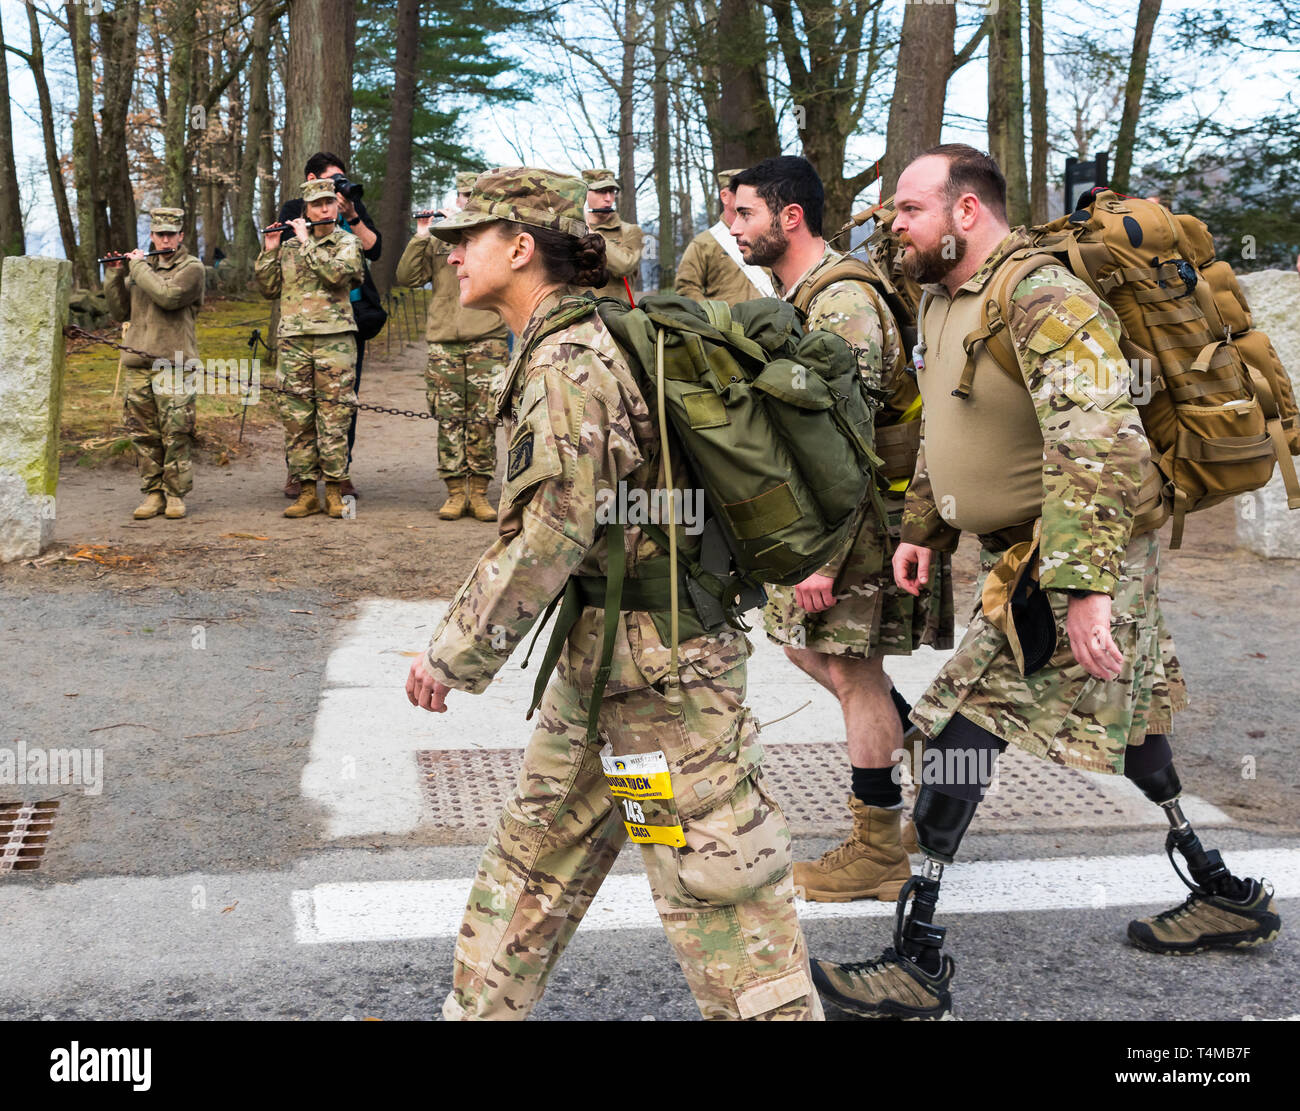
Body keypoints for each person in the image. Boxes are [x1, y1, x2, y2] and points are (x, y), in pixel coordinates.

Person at [810, 144, 1281, 1020]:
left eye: (908, 209)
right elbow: (956, 423)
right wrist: (926, 526)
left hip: (1063, 555)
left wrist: (1084, 583)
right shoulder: (943, 297)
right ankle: (1224, 892)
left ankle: (917, 956)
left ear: (964, 212)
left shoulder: (1044, 295)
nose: (892, 226)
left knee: (958, 724)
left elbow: (1099, 435)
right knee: (1130, 718)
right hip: (1022, 550)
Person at [405, 167, 821, 1021]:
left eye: (466, 239)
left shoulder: (567, 361)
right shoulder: (571, 341)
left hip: (668, 684)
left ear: (520, 249)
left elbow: (552, 531)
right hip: (606, 665)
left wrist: (452, 653)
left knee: (719, 897)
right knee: (532, 857)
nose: (451, 256)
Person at [729, 155, 953, 904]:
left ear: (790, 217)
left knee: (853, 670)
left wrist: (824, 558)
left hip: (865, 517)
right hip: (841, 516)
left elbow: (848, 443)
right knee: (798, 639)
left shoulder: (842, 303)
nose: (734, 229)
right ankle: (928, 748)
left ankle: (878, 847)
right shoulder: (805, 294)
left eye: (745, 214)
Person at [395, 171, 509, 521]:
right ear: (455, 198)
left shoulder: (493, 238)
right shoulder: (437, 239)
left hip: (487, 339)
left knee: (484, 419)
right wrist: (422, 235)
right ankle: (455, 491)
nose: (466, 201)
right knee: (448, 419)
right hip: (445, 341)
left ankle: (479, 492)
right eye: (462, 195)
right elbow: (407, 278)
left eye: (472, 196)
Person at [255, 179, 364, 519]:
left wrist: (305, 243)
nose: (324, 209)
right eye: (317, 205)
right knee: (297, 418)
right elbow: (268, 288)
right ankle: (305, 492)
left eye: (329, 203)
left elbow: (337, 276)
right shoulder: (288, 248)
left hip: (335, 340)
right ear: (306, 210)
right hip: (294, 341)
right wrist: (271, 248)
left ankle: (333, 490)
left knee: (334, 416)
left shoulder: (348, 243)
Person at [277, 152, 381, 501]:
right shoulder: (292, 209)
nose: (336, 191)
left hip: (345, 319)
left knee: (340, 403)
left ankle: (340, 473)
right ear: (310, 179)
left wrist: (351, 216)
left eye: (339, 182)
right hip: (302, 320)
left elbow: (373, 249)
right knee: (299, 408)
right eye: (331, 180)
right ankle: (301, 475)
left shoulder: (348, 208)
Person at [103, 207, 206, 521]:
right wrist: (115, 274)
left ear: (181, 235)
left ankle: (175, 494)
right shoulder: (141, 266)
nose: (164, 240)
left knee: (176, 432)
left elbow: (168, 296)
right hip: (138, 361)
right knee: (143, 433)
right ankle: (153, 492)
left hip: (175, 362)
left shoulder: (193, 267)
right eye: (159, 234)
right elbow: (121, 312)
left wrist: (137, 269)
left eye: (170, 234)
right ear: (150, 235)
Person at [675, 168, 775, 305]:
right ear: (724, 196)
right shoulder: (703, 243)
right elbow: (686, 288)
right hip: (727, 325)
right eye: (739, 191)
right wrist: (712, 316)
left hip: (771, 322)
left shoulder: (768, 236)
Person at [581, 168, 643, 303]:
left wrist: (591, 234)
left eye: (612, 192)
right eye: (601, 192)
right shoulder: (573, 231)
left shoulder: (630, 231)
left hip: (617, 317)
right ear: (585, 193)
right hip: (578, 315)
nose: (608, 198)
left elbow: (625, 265)